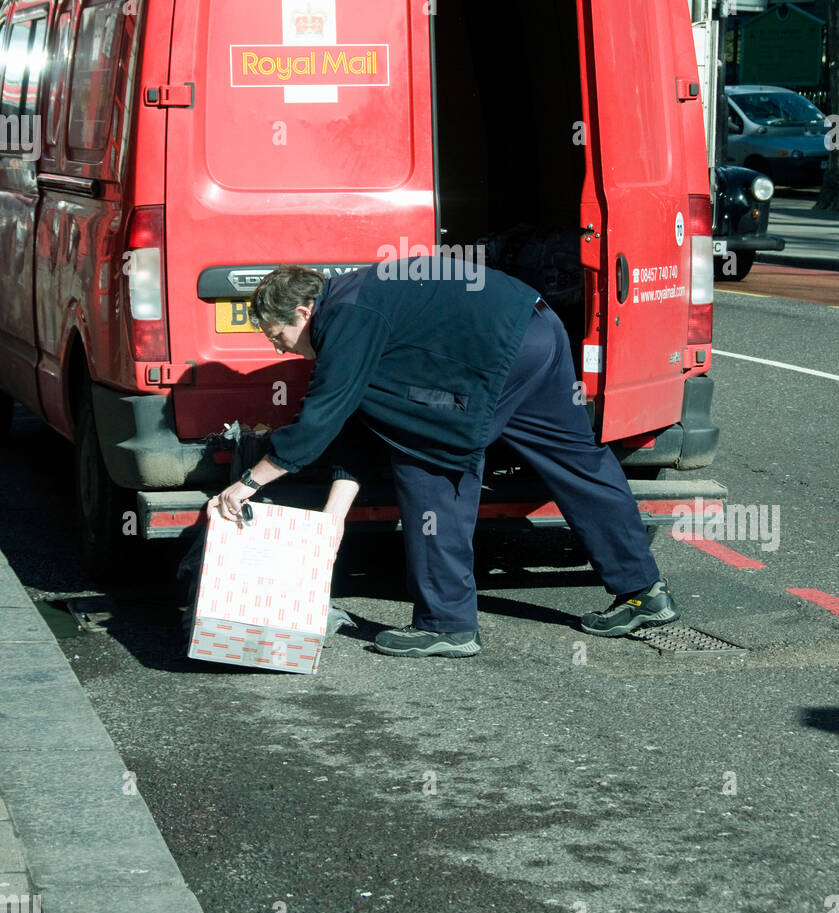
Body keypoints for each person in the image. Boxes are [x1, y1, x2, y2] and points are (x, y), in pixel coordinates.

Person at [211, 256, 679, 656]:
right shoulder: (356, 296)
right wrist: (334, 518)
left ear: (301, 311)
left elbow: (324, 416)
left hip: (499, 352)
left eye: (277, 336)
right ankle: (643, 590)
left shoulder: (345, 315)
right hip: (535, 326)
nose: (280, 349)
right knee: (575, 460)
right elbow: (356, 423)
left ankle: (446, 624)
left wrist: (248, 482)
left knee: (426, 454)